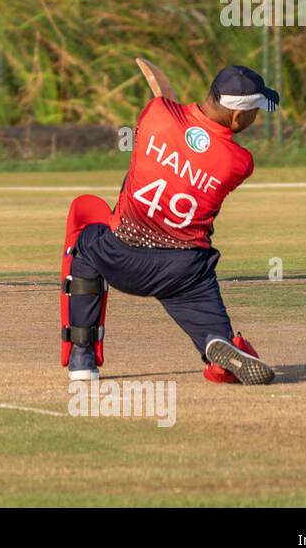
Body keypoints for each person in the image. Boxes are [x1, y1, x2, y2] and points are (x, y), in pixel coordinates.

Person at [59, 65, 281, 385]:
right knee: (215, 332)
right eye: (255, 112)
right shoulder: (239, 162)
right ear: (236, 118)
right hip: (184, 271)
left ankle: (82, 355)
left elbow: (171, 135)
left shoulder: (156, 114)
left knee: (85, 240)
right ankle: (214, 343)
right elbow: (197, 152)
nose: (255, 119)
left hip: (120, 255)